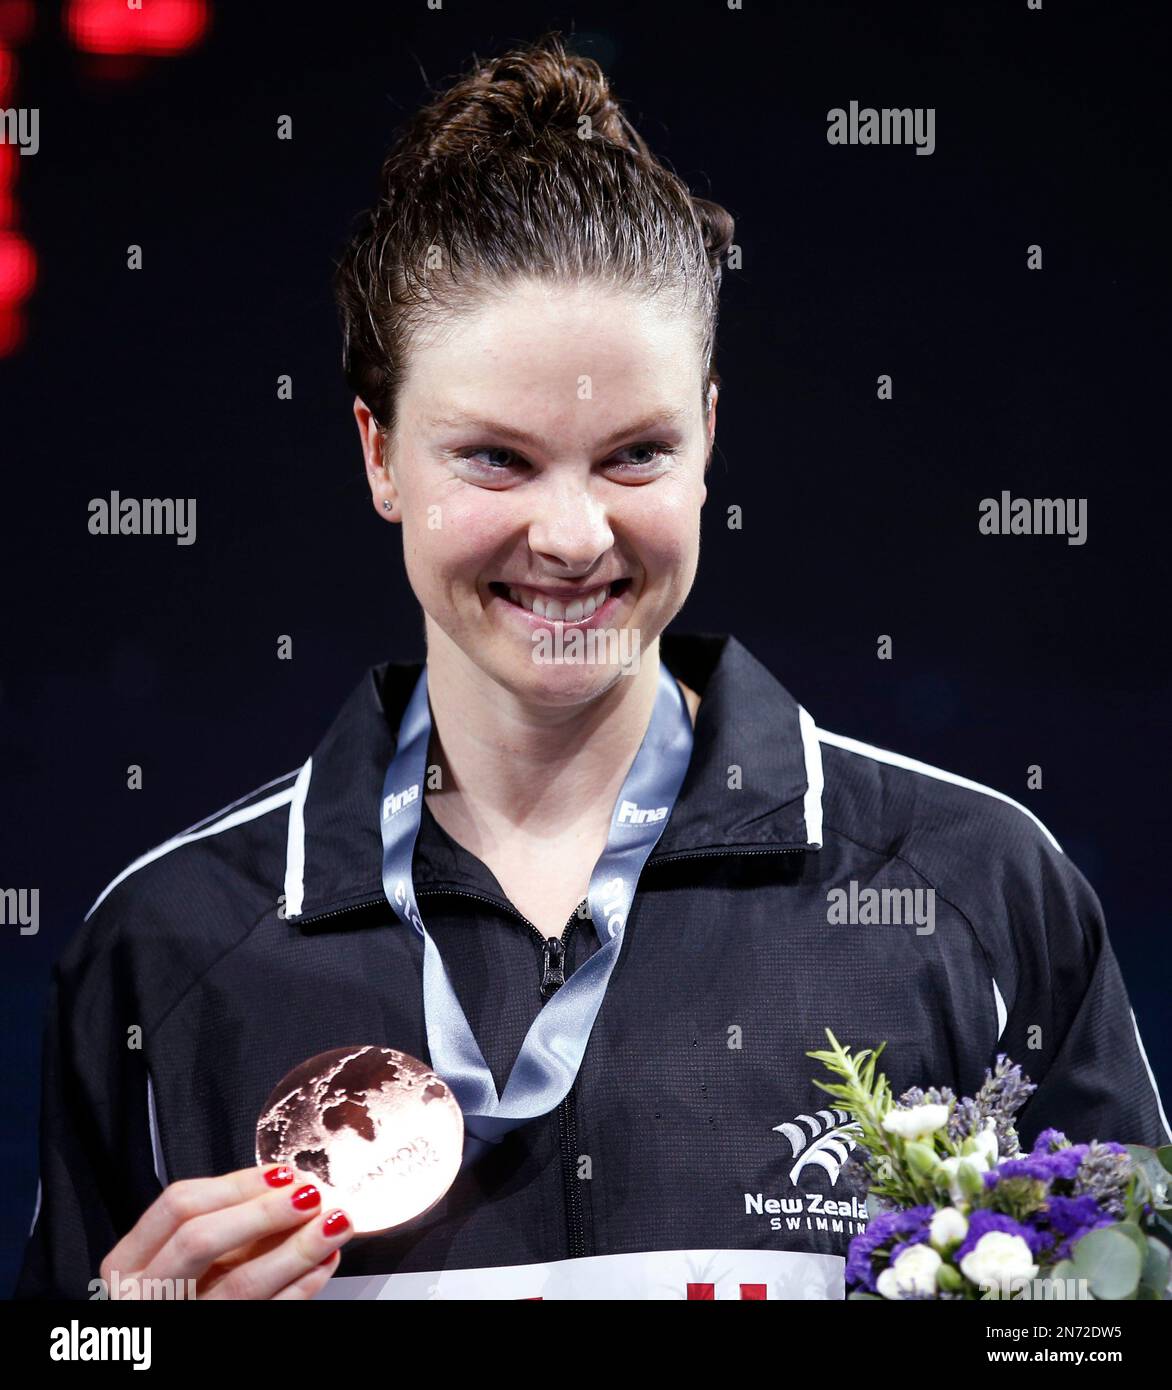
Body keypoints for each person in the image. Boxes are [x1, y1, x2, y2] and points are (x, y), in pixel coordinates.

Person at [15, 32, 1168, 1303]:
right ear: (379, 453)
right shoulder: (167, 943)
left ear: (708, 437)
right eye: (494, 460)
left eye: (633, 455)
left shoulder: (979, 888)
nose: (570, 537)